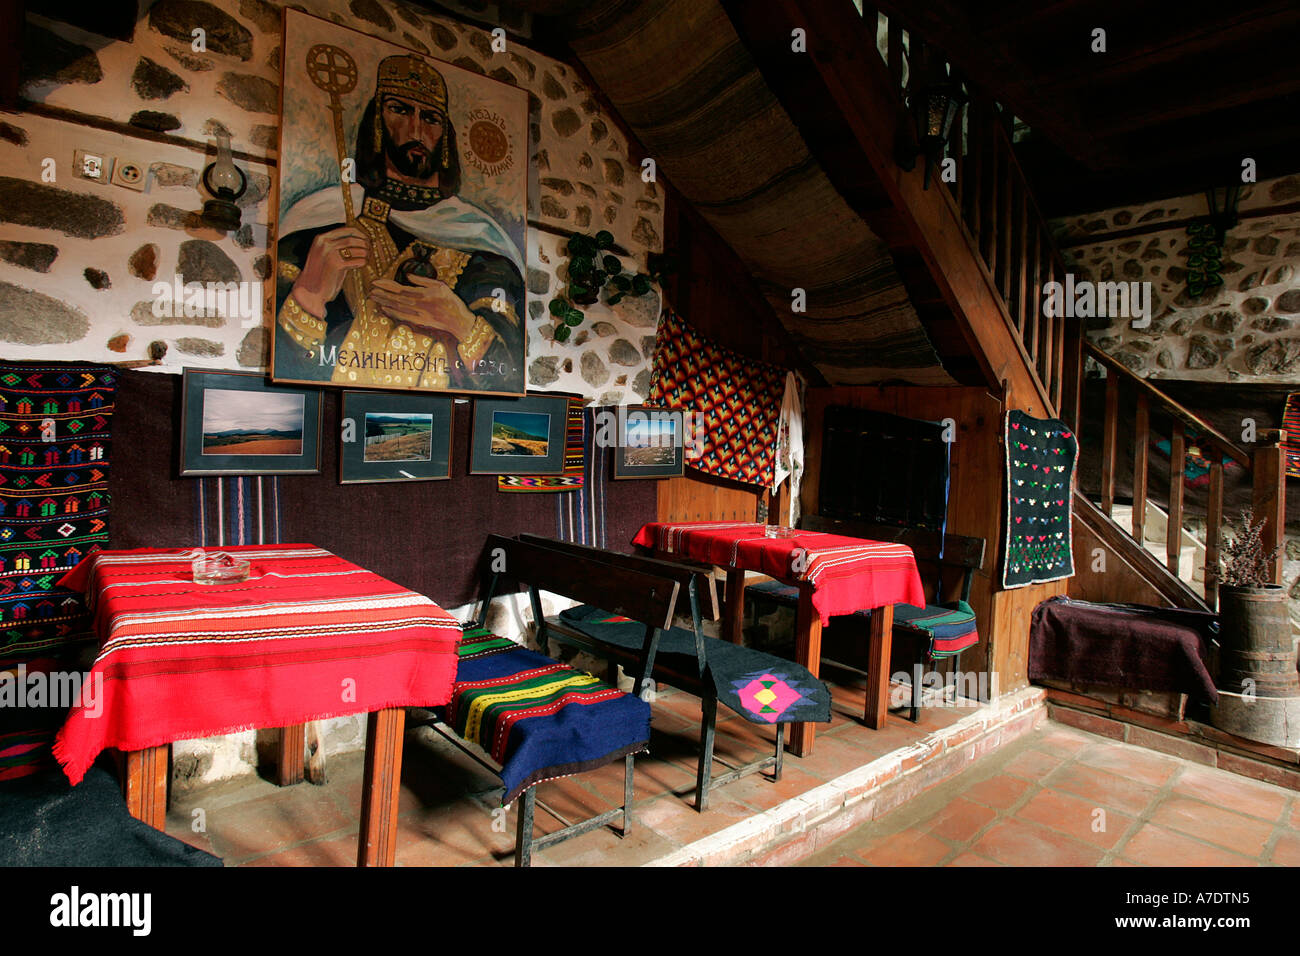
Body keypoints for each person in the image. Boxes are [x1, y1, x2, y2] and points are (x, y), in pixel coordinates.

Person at [274, 53, 525, 392]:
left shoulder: (480, 241)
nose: (416, 130)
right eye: (400, 110)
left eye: (431, 117)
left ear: (446, 136)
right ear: (376, 120)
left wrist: (460, 322)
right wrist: (309, 295)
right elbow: (286, 369)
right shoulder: (320, 222)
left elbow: (507, 379)